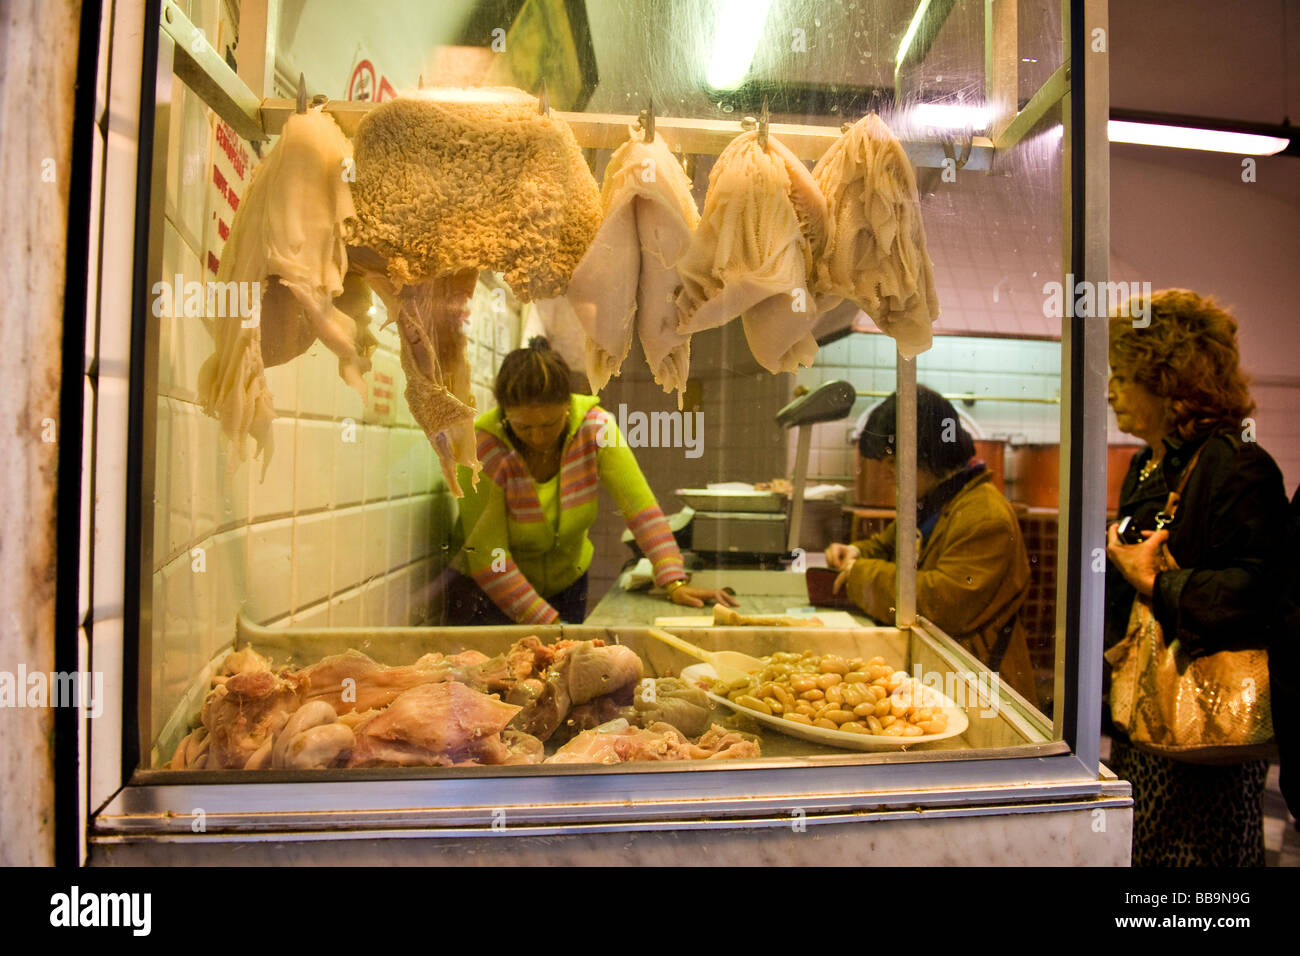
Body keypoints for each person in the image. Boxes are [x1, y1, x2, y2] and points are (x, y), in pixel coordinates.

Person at [1104, 288, 1290, 867]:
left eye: (1122, 373)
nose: (1110, 389)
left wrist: (1154, 585)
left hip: (1207, 718)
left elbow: (1262, 590)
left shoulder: (1237, 462)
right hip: (1145, 709)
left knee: (1201, 863)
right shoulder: (1147, 462)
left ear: (1167, 376)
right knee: (1148, 852)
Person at [447, 337, 736, 624]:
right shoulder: (481, 449)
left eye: (549, 424)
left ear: (568, 406)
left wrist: (674, 580)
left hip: (567, 585)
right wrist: (550, 625)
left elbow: (640, 508)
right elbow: (489, 556)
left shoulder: (595, 428)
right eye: (523, 427)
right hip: (490, 592)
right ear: (505, 414)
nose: (538, 438)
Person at [826, 385, 1039, 707]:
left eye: (892, 460)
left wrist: (860, 573)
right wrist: (855, 552)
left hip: (983, 694)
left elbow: (938, 602)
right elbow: (883, 547)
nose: (887, 472)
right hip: (942, 677)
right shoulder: (933, 503)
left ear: (924, 452)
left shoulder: (985, 516)